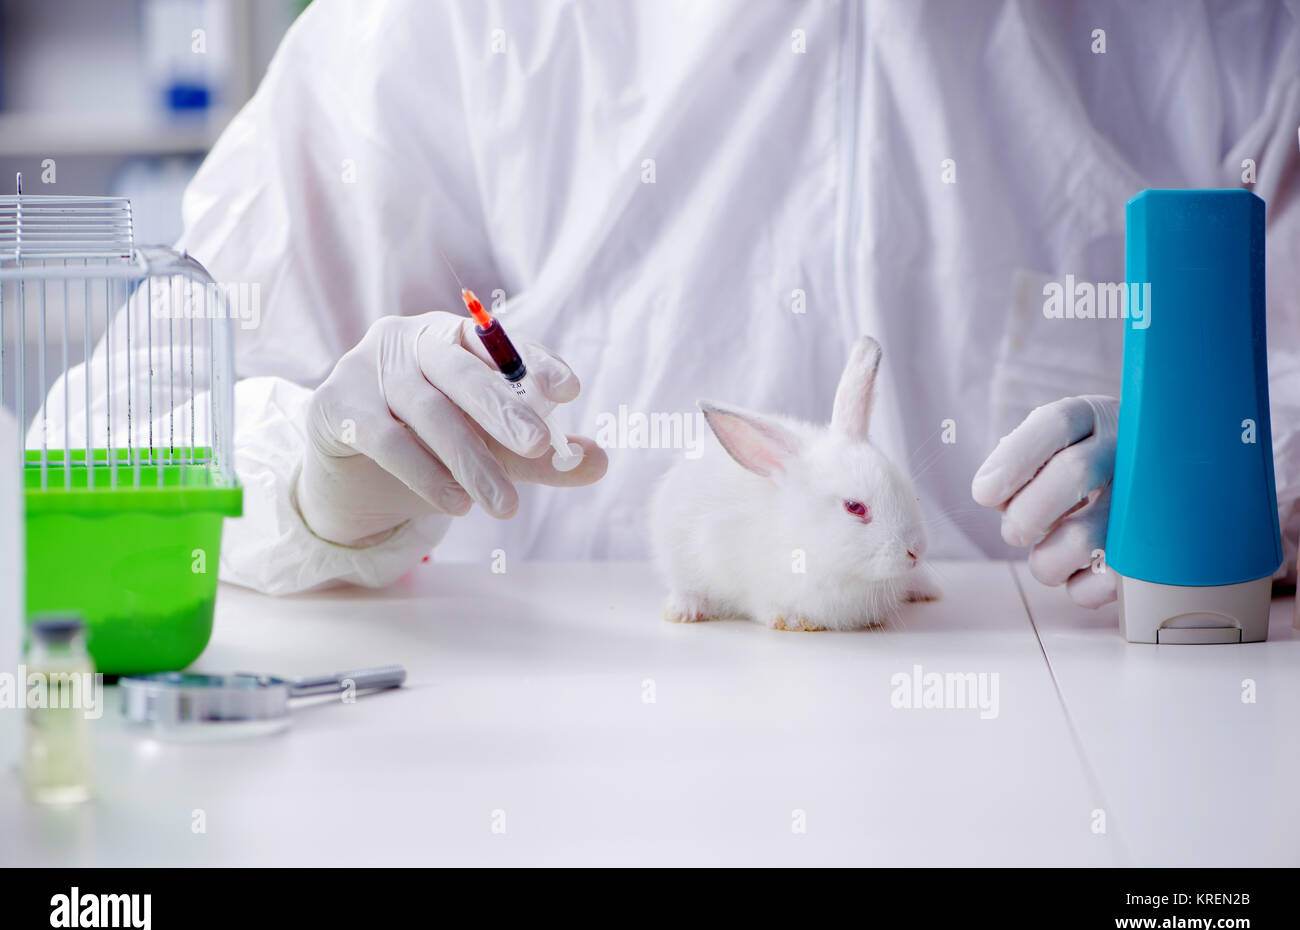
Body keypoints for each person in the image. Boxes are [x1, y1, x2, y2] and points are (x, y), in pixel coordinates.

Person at [102, 0, 1300, 597]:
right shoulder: (445, 30)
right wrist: (311, 492)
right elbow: (106, 453)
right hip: (562, 815)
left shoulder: (1226, 41)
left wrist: (1271, 480)